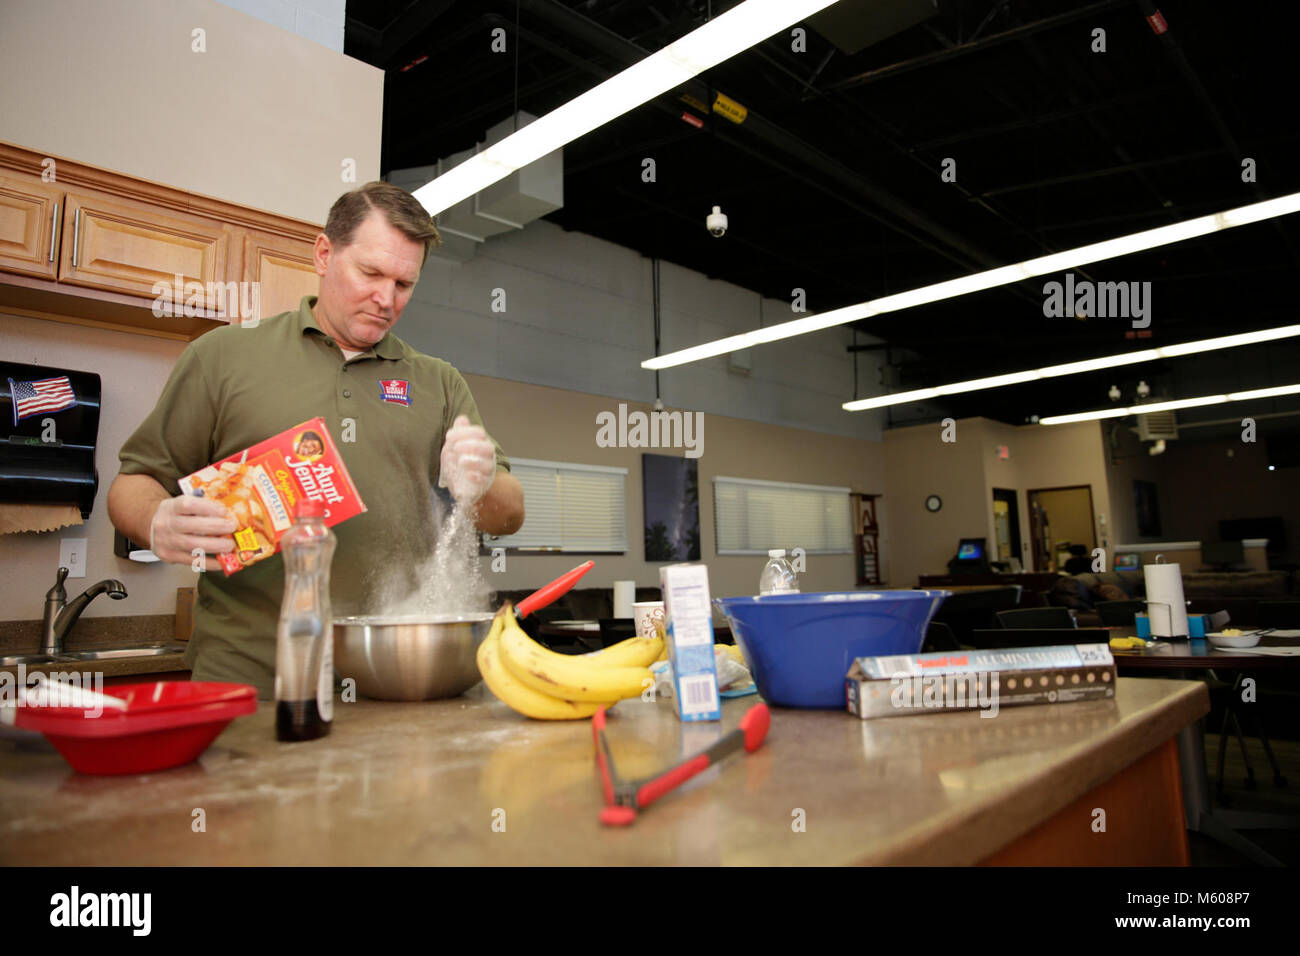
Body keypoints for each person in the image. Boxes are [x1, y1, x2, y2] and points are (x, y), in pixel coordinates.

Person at [108, 182, 525, 696]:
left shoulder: (438, 382)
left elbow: (509, 515)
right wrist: (156, 520)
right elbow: (133, 482)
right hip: (250, 679)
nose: (386, 299)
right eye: (370, 273)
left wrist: (479, 482)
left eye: (404, 283)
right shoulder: (223, 356)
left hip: (395, 680)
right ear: (324, 253)